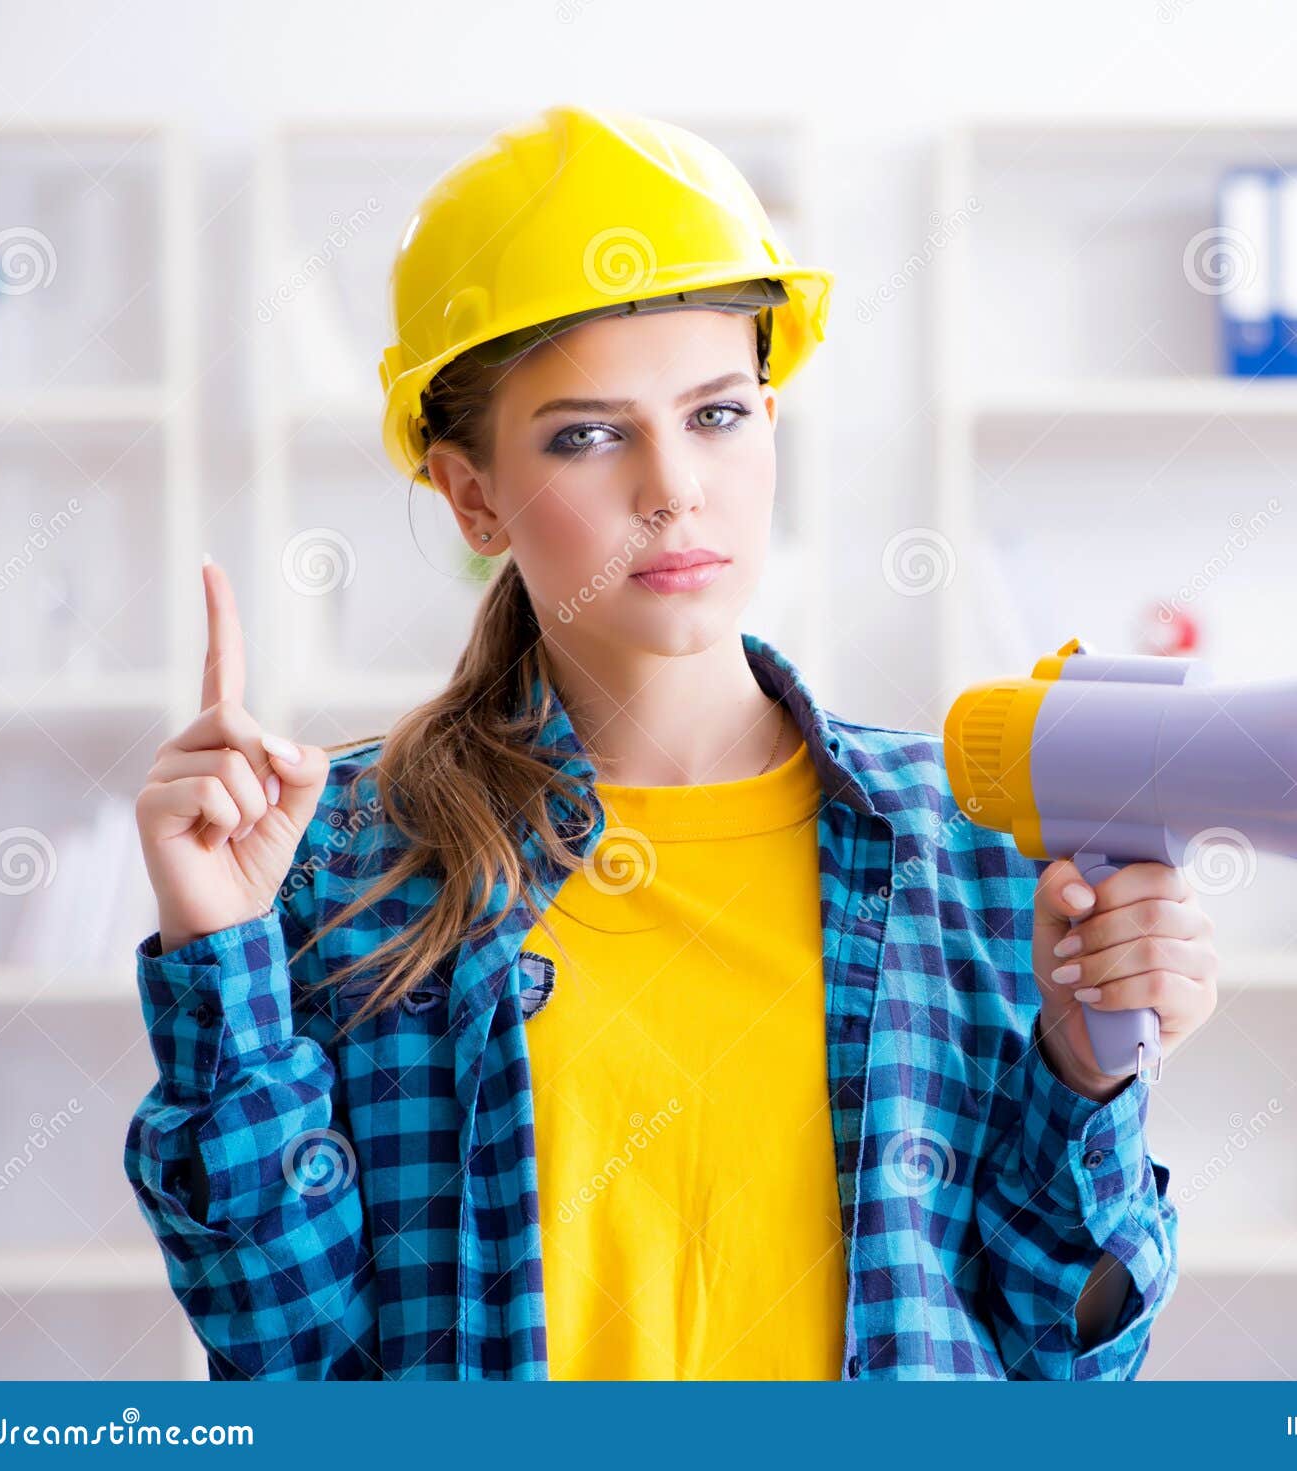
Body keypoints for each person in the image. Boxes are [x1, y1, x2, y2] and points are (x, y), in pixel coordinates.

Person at [125, 103, 1216, 1381]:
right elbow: (288, 1365)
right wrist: (221, 953)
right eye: (588, 435)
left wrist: (1086, 1073)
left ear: (771, 420)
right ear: (473, 495)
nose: (673, 489)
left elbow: (1068, 1365)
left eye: (716, 415)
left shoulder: (974, 846)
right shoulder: (340, 860)